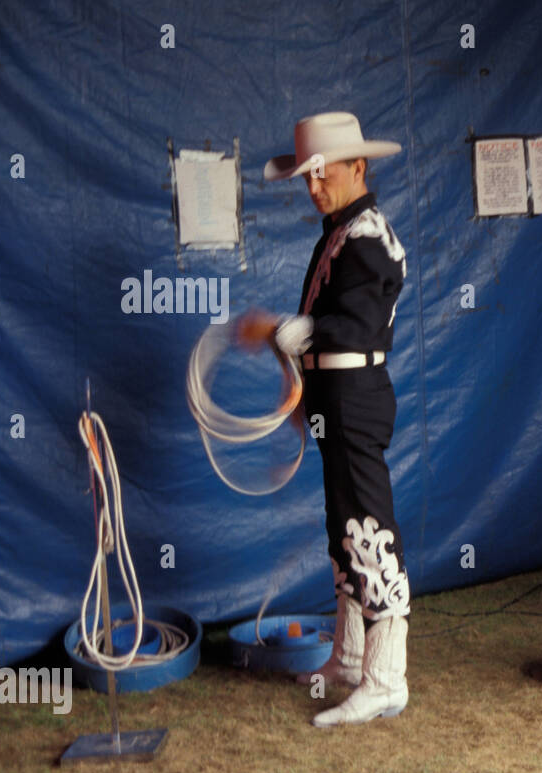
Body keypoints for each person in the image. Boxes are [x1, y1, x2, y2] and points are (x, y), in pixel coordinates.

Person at [239, 111, 411, 727]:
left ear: (358, 167)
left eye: (323, 174)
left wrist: (278, 332)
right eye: (307, 178)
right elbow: (329, 331)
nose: (314, 188)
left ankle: (386, 679)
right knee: (344, 524)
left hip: (356, 393)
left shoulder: (366, 236)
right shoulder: (340, 232)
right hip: (335, 394)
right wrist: (305, 397)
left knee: (367, 526)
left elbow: (354, 329)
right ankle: (351, 656)